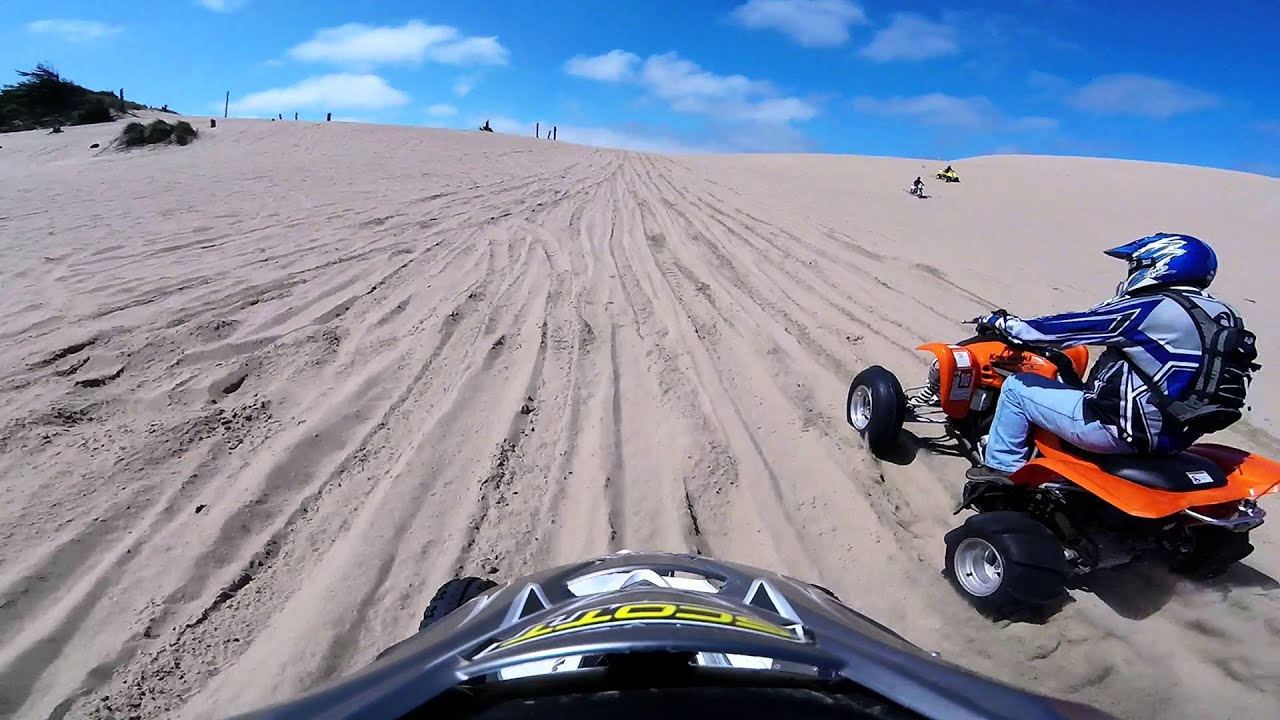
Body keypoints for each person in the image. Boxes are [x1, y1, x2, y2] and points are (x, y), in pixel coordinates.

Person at [966, 232, 1256, 483]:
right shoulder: (1224, 313)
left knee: (1017, 388)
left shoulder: (1153, 307)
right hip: (1178, 433)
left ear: (1159, 265)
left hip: (1119, 431)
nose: (1130, 273)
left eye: (1135, 265)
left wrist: (1002, 322)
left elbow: (1053, 331)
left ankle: (1002, 469)